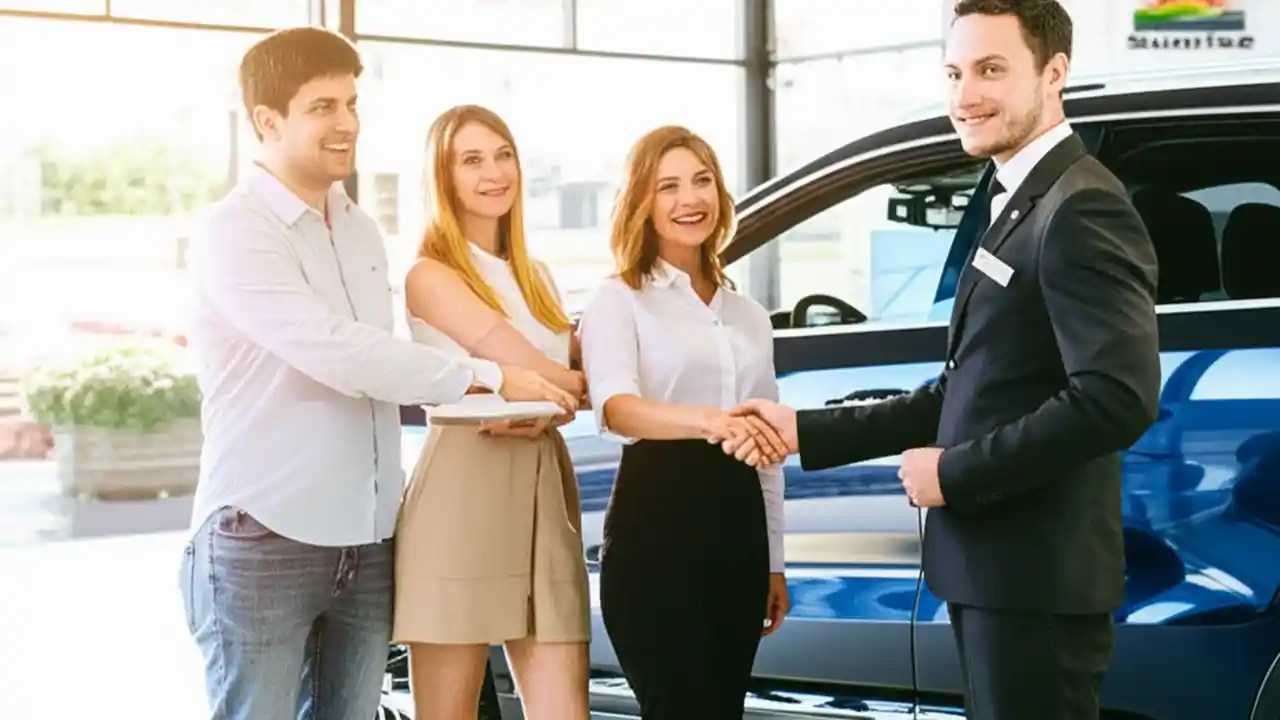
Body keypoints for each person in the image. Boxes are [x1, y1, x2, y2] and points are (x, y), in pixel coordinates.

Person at [723, 1, 1161, 718]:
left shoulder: (1079, 208)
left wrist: (953, 474)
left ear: (1054, 73)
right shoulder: (1019, 196)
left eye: (991, 70)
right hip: (999, 574)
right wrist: (803, 429)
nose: (965, 96)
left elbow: (1116, 399)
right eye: (955, 73)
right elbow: (971, 385)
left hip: (1033, 580)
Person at [181, 29, 573, 720]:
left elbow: (385, 361)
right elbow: (338, 351)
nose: (347, 123)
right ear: (268, 121)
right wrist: (490, 377)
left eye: (352, 103)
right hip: (263, 532)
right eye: (323, 107)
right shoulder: (235, 228)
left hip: (365, 541)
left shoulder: (360, 230)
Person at [577, 125, 792, 719]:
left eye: (701, 181)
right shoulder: (618, 298)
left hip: (738, 531)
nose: (690, 199)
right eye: (667, 186)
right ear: (642, 203)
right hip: (656, 530)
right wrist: (709, 422)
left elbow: (767, 448)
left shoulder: (749, 316)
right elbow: (615, 408)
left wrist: (774, 560)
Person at [391, 104, 592, 720]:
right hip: (462, 493)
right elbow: (542, 374)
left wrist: (563, 398)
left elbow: (557, 392)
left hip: (543, 483)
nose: (494, 172)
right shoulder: (430, 275)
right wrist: (577, 390)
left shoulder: (539, 277)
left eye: (503, 155)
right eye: (472, 160)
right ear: (443, 177)